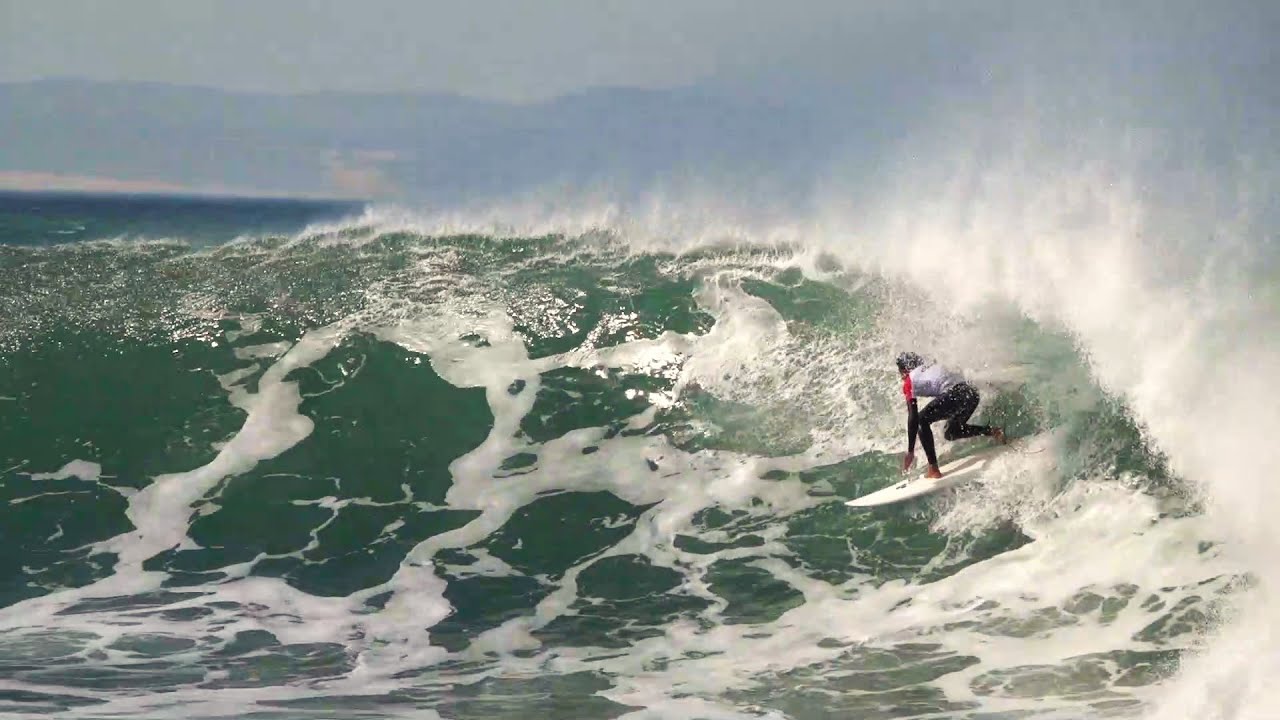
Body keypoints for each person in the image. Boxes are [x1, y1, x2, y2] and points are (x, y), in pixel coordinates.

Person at [896, 352, 1004, 479]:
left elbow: (913, 417)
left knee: (921, 420)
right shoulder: (931, 366)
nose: (902, 377)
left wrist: (910, 451)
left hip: (956, 394)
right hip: (972, 393)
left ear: (905, 370)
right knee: (951, 432)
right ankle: (994, 431)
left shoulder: (910, 381)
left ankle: (933, 470)